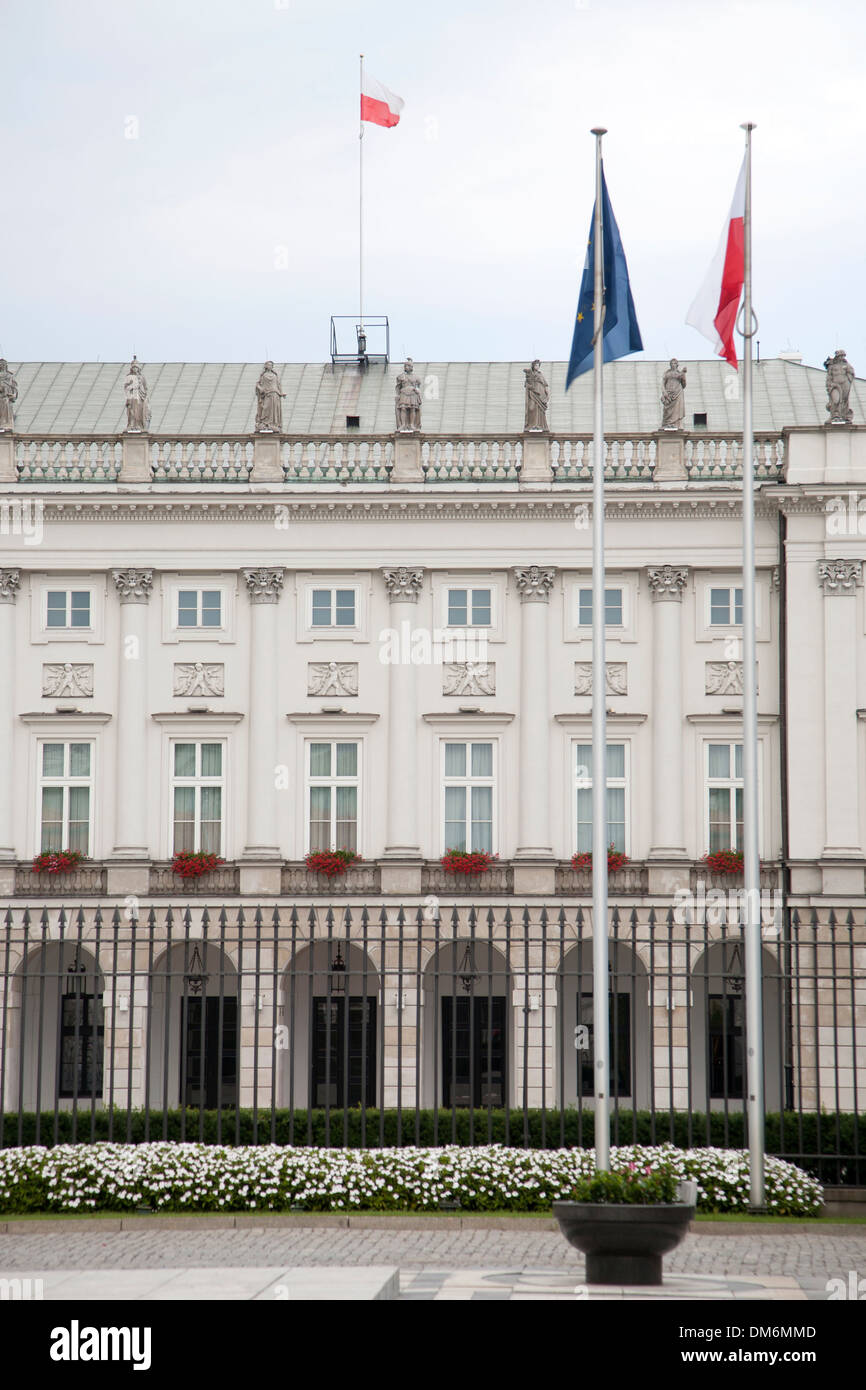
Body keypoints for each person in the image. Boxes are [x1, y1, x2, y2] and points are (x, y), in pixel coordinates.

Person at [255, 361, 286, 432]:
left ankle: (273, 424)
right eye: (269, 365)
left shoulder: (275, 375)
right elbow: (258, 384)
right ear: (266, 366)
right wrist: (261, 389)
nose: (270, 366)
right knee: (265, 408)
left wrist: (281, 393)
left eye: (271, 365)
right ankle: (265, 423)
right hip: (266, 395)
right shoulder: (263, 375)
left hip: (275, 394)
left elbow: (278, 385)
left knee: (274, 410)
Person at [661, 359, 687, 430]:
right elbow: (663, 383)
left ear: (677, 365)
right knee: (667, 410)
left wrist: (683, 374)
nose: (673, 364)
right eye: (672, 363)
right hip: (668, 393)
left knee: (677, 409)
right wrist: (664, 392)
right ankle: (667, 424)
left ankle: (676, 424)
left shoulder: (680, 373)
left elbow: (684, 385)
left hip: (677, 393)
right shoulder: (667, 373)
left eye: (675, 363)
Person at [524, 360, 549, 431]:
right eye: (536, 365)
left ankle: (539, 425)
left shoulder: (540, 374)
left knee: (540, 409)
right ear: (533, 366)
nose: (537, 367)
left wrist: (547, 394)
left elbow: (545, 385)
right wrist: (529, 384)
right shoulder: (530, 374)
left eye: (538, 365)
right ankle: (531, 425)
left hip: (541, 393)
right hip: (532, 393)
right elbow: (527, 384)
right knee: (531, 408)